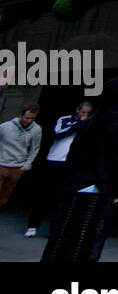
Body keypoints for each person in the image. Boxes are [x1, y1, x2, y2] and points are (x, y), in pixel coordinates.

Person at [42, 78, 118, 263]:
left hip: (75, 184)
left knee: (64, 234)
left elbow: (73, 153)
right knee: (90, 237)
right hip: (101, 188)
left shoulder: (92, 120)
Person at [25, 100, 92, 238]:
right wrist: (79, 124)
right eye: (83, 112)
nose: (85, 115)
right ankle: (33, 225)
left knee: (63, 198)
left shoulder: (89, 123)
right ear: (78, 110)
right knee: (43, 194)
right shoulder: (65, 119)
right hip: (54, 160)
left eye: (87, 113)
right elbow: (58, 134)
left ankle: (55, 230)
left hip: (70, 163)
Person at [0, 103, 42, 215]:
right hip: (2, 164)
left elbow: (35, 149)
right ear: (21, 115)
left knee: (3, 200)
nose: (28, 121)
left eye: (32, 118)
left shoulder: (36, 129)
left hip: (17, 168)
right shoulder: (5, 126)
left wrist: (26, 165)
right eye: (27, 118)